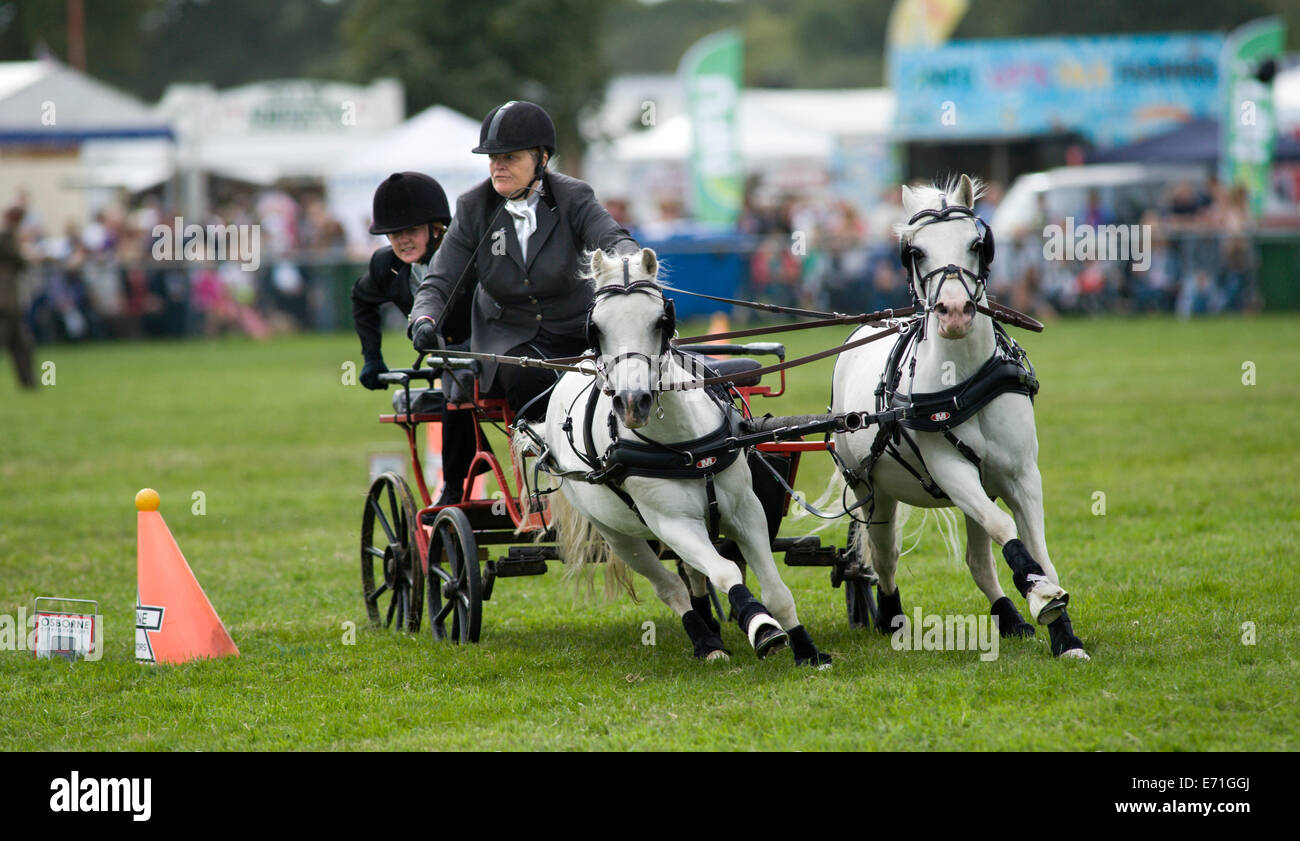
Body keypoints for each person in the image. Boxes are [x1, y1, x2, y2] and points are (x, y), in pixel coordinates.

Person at [409, 100, 639, 426]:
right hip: (510, 341)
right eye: (493, 158)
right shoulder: (473, 208)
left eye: (510, 157)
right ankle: (541, 454)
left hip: (578, 333)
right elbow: (440, 280)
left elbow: (614, 239)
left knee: (632, 368)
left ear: (542, 159)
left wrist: (632, 264)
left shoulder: (573, 197)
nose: (498, 166)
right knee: (525, 374)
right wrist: (423, 319)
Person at [352, 171, 476, 506]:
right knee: (453, 385)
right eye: (394, 234)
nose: (402, 241)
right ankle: (452, 488)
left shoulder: (465, 257)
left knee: (457, 382)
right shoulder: (385, 265)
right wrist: (372, 358)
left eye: (410, 231)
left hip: (487, 350)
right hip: (445, 363)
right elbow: (362, 300)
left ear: (436, 229)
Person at [0, 206, 36, 389]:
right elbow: (18, 260)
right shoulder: (6, 235)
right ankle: (28, 382)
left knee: (21, 343)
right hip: (6, 301)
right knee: (17, 341)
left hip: (10, 300)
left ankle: (28, 382)